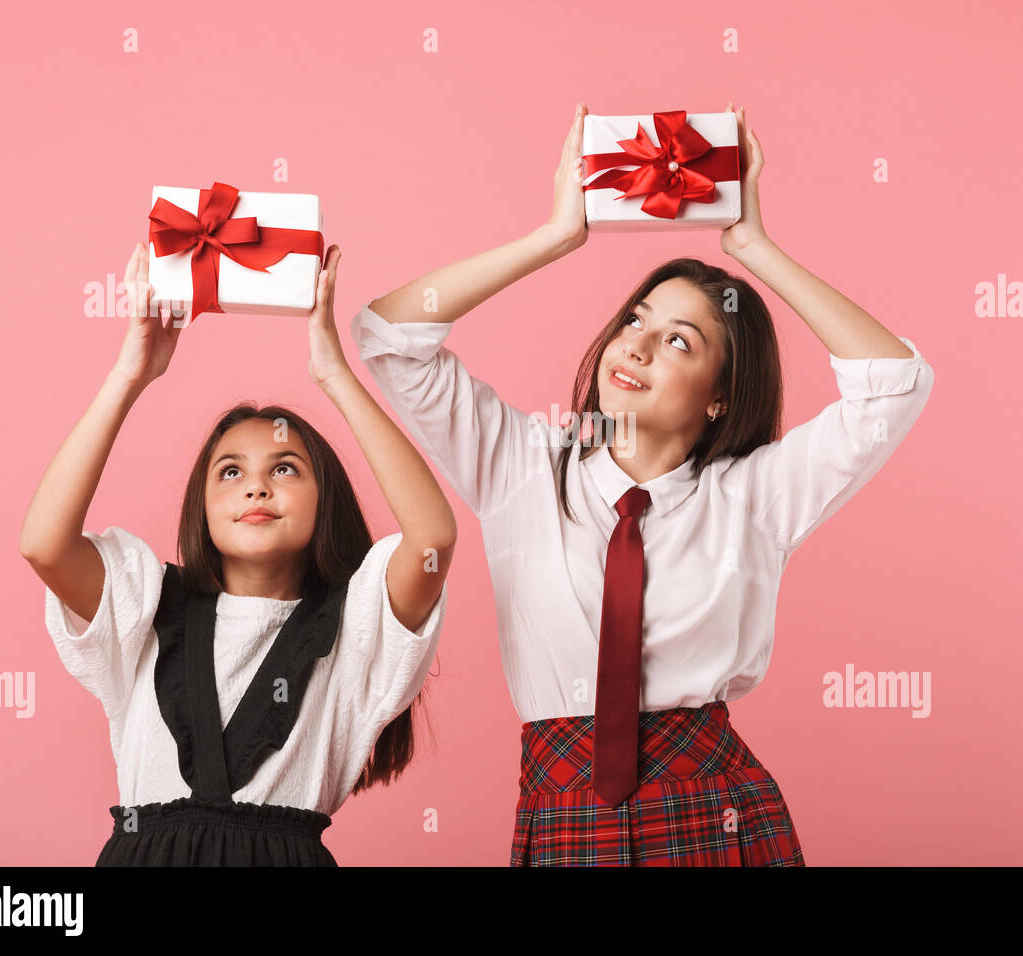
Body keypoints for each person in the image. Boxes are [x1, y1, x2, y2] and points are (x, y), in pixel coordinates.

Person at [353, 101, 936, 865]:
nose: (638, 346)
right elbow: (390, 338)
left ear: (719, 396)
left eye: (679, 342)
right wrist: (555, 236)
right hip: (563, 815)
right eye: (636, 320)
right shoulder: (522, 463)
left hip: (715, 812)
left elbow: (894, 383)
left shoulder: (755, 496)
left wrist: (753, 246)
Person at [20, 241, 456, 865]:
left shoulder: (356, 628)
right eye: (229, 472)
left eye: (285, 468)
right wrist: (131, 373)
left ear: (323, 499)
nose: (256, 486)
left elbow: (433, 539)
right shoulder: (146, 607)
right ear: (201, 506)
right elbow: (43, 544)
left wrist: (335, 373)